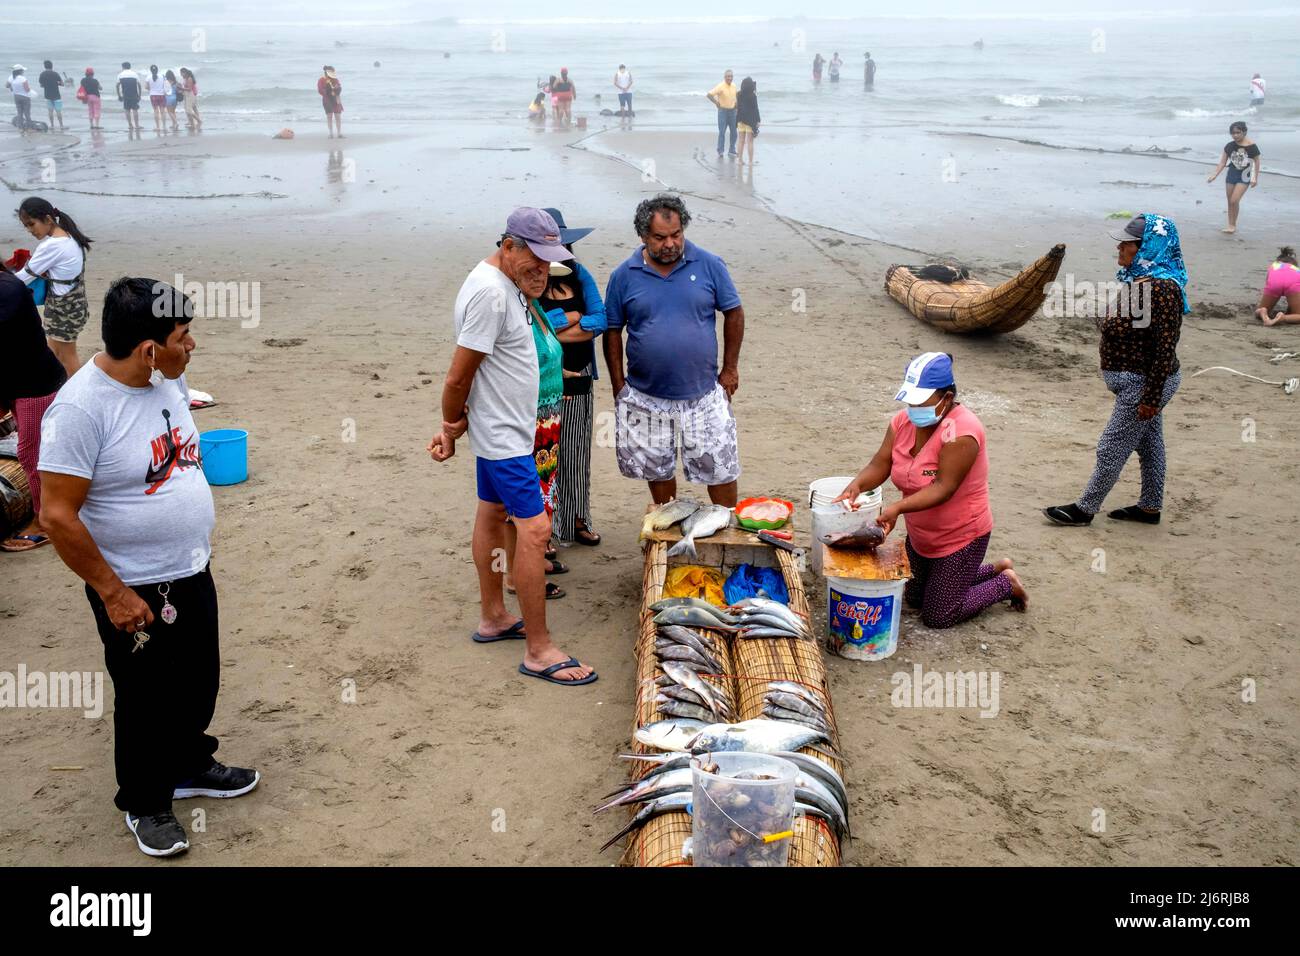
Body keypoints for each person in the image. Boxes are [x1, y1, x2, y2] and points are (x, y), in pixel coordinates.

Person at [39, 277, 261, 858]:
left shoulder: (167, 377)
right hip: (130, 582)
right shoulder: (79, 411)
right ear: (147, 349)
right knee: (143, 695)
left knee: (197, 676)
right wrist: (113, 593)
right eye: (184, 337)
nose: (193, 347)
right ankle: (144, 802)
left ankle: (190, 764)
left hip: (189, 565)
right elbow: (57, 516)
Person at [429, 207, 596, 687]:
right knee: (536, 531)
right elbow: (459, 373)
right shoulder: (488, 294)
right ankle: (540, 650)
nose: (542, 271)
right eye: (534, 260)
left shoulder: (508, 284)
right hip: (506, 437)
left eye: (549, 262)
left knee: (489, 512)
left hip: (511, 428)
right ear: (508, 245)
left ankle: (494, 617)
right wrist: (450, 424)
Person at [833, 352, 1026, 627]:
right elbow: (881, 462)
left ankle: (1005, 583)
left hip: (960, 536)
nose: (913, 407)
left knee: (938, 615)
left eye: (920, 401)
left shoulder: (963, 432)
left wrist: (897, 508)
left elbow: (943, 488)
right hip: (922, 535)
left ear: (946, 398)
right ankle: (995, 568)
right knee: (914, 597)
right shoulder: (902, 422)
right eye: (910, 400)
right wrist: (857, 485)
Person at [1044, 214, 1187, 527]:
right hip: (1139, 382)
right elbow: (1129, 327)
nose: (1119, 248)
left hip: (1145, 383)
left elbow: (1164, 348)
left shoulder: (1161, 289)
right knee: (1150, 446)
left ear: (1148, 247)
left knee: (1112, 445)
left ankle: (1085, 509)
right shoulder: (1138, 281)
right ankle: (1150, 508)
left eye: (1128, 243)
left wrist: (1150, 397)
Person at [603, 194, 744, 506]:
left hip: (705, 394)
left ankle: (727, 522)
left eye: (676, 235)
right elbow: (612, 330)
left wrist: (730, 369)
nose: (670, 244)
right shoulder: (623, 276)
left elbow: (734, 312)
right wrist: (618, 385)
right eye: (660, 237)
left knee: (719, 468)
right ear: (643, 236)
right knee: (657, 466)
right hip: (644, 396)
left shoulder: (709, 265)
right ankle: (668, 522)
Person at [539, 208, 605, 547]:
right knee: (546, 457)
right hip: (543, 384)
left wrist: (559, 327)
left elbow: (600, 320)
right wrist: (574, 318)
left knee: (578, 454)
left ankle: (579, 519)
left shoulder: (580, 275)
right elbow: (534, 328)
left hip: (580, 378)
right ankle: (547, 532)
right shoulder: (531, 281)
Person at [0, 269, 65, 552]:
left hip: (35, 384)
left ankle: (44, 521)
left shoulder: (7, 290)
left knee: (33, 453)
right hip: (19, 382)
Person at [13, 197, 93, 378]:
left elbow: (22, 279)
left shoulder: (51, 246)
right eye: (26, 226)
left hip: (63, 311)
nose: (29, 230)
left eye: (31, 224)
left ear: (48, 219)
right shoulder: (70, 236)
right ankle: (56, 390)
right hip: (75, 305)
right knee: (53, 353)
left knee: (66, 357)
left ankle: (77, 394)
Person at [1206, 121, 1260, 235]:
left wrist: (1255, 178)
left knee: (1234, 200)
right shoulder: (1229, 146)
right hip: (1231, 174)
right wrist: (1214, 175)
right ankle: (1231, 225)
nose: (1235, 135)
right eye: (1233, 133)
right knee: (1230, 202)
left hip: (1245, 176)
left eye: (1238, 132)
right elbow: (1222, 163)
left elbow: (1256, 162)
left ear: (1244, 132)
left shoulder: (1252, 146)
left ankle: (1233, 225)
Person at [1256, 246, 1300, 326]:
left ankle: (1262, 312)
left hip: (1274, 282)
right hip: (1293, 283)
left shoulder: (1274, 266)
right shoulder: (1296, 270)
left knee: (1259, 310)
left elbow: (1268, 283)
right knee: (1298, 315)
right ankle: (1283, 318)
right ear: (1294, 264)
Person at [707, 70, 738, 157]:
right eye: (728, 76)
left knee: (734, 132)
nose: (730, 78)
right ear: (725, 77)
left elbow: (736, 96)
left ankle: (732, 150)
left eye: (731, 76)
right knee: (722, 132)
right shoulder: (720, 86)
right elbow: (709, 95)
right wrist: (716, 103)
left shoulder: (734, 86)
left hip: (732, 112)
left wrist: (737, 105)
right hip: (723, 112)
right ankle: (720, 150)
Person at [736, 77, 760, 166]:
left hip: (740, 120)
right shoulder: (753, 95)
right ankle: (750, 161)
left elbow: (738, 107)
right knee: (750, 142)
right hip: (750, 121)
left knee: (741, 141)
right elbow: (755, 109)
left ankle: (740, 160)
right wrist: (758, 120)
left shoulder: (738, 94)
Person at [38, 60, 65, 131]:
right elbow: (62, 84)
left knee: (50, 111)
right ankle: (61, 125)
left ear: (45, 66)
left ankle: (52, 125)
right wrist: (57, 83)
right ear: (51, 66)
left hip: (47, 95)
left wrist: (46, 84)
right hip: (56, 95)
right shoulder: (55, 74)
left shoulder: (42, 74)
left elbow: (41, 85)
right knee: (58, 111)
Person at [318, 66, 343, 138]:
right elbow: (320, 90)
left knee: (338, 116)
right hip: (327, 99)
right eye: (331, 71)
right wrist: (327, 91)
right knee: (329, 116)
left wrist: (337, 88)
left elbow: (339, 87)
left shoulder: (335, 79)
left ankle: (339, 133)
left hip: (336, 99)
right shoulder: (321, 80)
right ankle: (331, 133)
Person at [116, 62, 141, 131]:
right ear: (130, 67)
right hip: (134, 94)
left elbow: (117, 85)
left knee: (127, 110)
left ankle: (130, 125)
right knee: (135, 110)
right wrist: (139, 95)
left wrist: (119, 95)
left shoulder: (120, 75)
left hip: (125, 94)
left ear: (123, 67)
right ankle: (137, 125)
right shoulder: (134, 74)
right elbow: (139, 85)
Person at [146, 65, 167, 132]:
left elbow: (146, 87)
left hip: (153, 95)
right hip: (161, 95)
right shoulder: (162, 76)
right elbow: (165, 85)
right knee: (162, 111)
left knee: (156, 111)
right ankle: (164, 126)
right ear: (157, 70)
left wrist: (152, 89)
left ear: (151, 70)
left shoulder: (148, 77)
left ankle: (158, 127)